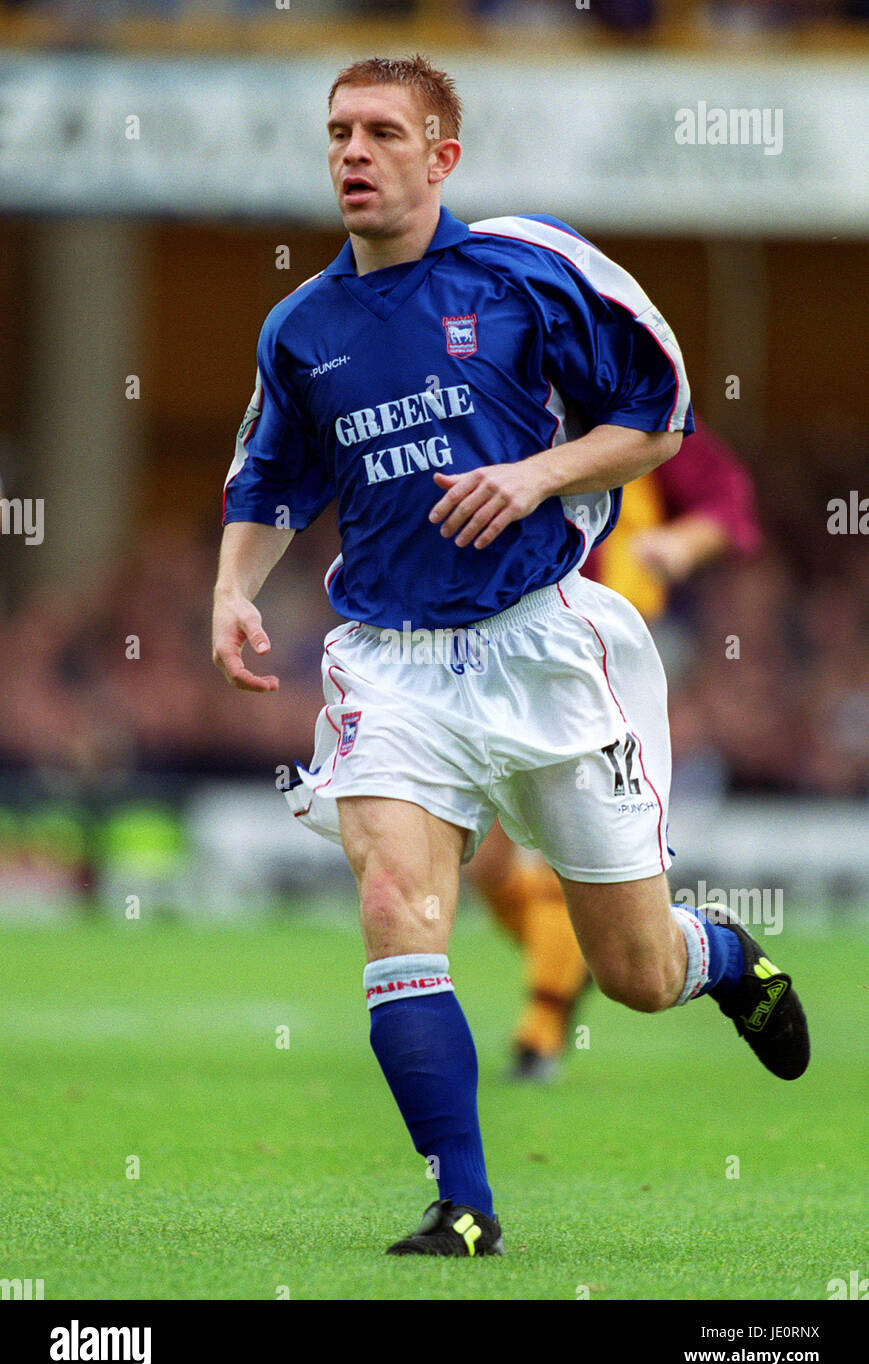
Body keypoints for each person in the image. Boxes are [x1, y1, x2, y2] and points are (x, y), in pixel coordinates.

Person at [212, 54, 809, 1258]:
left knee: (634, 970)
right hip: (385, 659)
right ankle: (463, 1203)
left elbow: (658, 415)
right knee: (396, 903)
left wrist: (536, 472)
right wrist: (231, 588)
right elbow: (272, 475)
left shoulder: (528, 270)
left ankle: (723, 956)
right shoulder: (303, 326)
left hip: (540, 641)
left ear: (442, 157)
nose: (353, 152)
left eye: (383, 131)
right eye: (337, 131)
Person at [469, 417, 763, 1081]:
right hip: (500, 649)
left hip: (609, 651)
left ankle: (538, 1030)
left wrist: (681, 544)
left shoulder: (635, 410)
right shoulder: (491, 397)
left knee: (562, 857)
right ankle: (591, 954)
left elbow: (728, 500)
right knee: (484, 862)